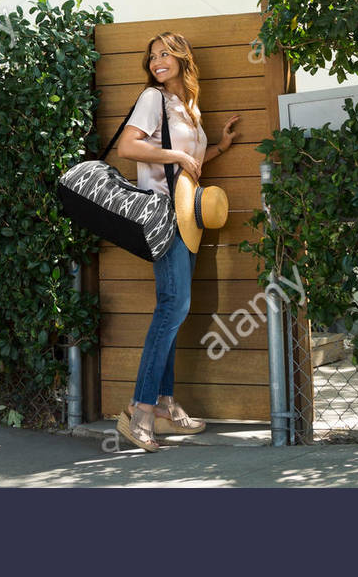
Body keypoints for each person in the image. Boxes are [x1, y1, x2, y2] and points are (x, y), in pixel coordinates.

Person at [114, 31, 239, 451]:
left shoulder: (188, 106)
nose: (157, 61)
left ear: (184, 57)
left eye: (165, 53)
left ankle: (164, 405)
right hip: (161, 213)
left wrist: (216, 146)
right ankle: (142, 409)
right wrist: (180, 157)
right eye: (152, 56)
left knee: (174, 308)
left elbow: (193, 164)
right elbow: (130, 147)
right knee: (174, 307)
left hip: (187, 216)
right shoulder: (153, 98)